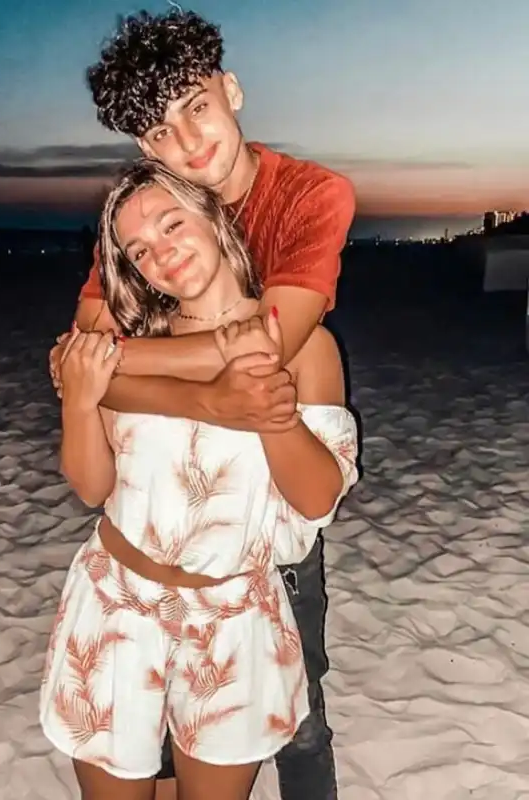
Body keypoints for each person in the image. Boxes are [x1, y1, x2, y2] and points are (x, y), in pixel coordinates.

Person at [49, 10, 356, 799]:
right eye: (159, 131)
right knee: (143, 743)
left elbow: (274, 345)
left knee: (301, 713)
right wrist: (210, 395)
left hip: (248, 557)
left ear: (231, 90)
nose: (187, 143)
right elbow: (81, 359)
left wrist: (113, 367)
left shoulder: (308, 195)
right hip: (129, 576)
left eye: (196, 107)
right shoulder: (146, 214)